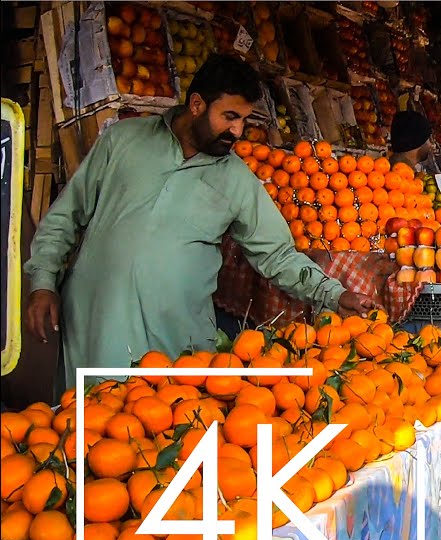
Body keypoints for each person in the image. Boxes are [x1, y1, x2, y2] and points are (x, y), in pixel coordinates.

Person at [23, 54, 378, 392]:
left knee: (160, 436)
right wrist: (43, 283)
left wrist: (333, 294)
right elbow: (67, 215)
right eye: (229, 116)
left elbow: (278, 255)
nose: (238, 131)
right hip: (92, 328)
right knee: (80, 436)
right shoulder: (124, 141)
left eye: (244, 120)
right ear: (196, 105)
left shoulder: (237, 180)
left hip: (173, 345)